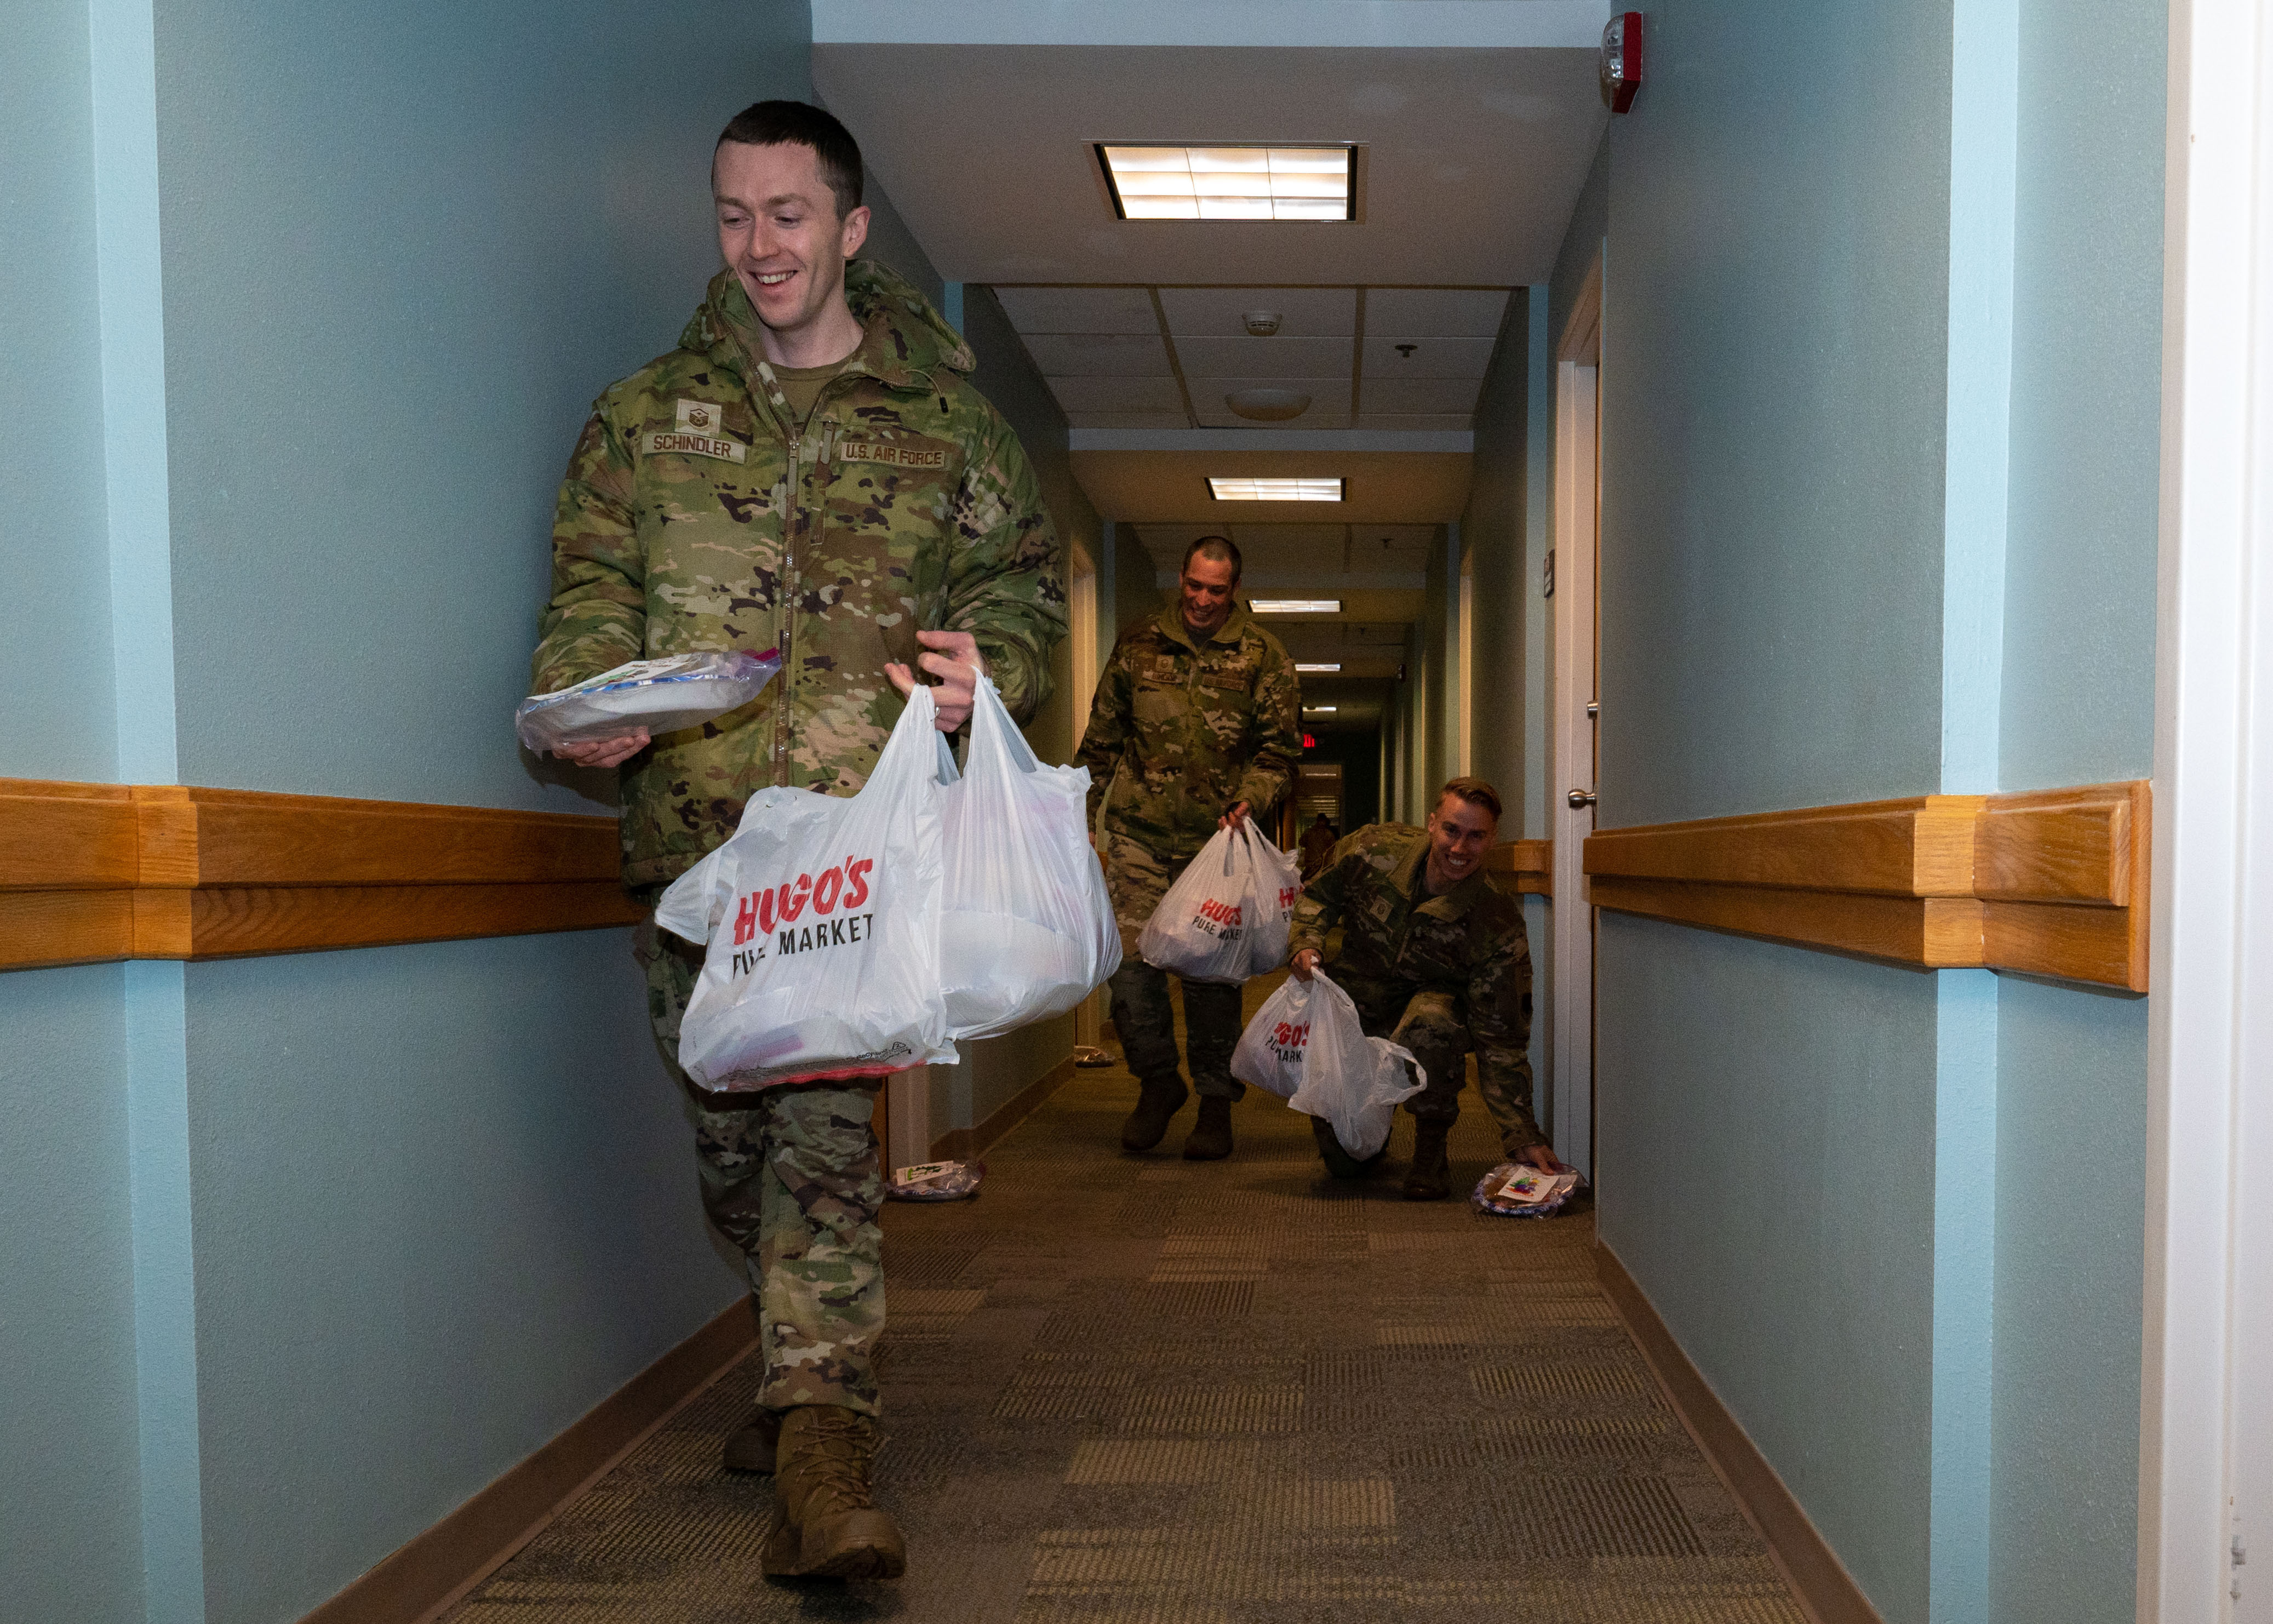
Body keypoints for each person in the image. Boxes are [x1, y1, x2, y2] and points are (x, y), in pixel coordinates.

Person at [528, 100, 1062, 1582]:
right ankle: (790, 1360)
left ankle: (825, 1454)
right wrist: (588, 703)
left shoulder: (949, 422)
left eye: (786, 214)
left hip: (851, 846)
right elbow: (587, 588)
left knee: (822, 1142)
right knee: (730, 1143)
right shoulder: (643, 416)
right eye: (732, 214)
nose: (758, 244)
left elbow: (1019, 583)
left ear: (850, 228)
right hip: (695, 841)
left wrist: (987, 668)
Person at [1077, 535, 1302, 1160]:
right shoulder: (1139, 643)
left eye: (1217, 590)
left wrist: (1253, 795)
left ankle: (1213, 1102)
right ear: (1181, 576)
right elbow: (1102, 741)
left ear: (1235, 588)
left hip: (1217, 846)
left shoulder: (1262, 656)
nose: (1203, 601)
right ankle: (1156, 1082)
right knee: (1127, 970)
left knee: (1211, 979)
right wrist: (1078, 822)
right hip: (1137, 836)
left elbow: (1280, 753)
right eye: (1194, 586)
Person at [1287, 777, 1562, 1200]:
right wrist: (1306, 942)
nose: (1459, 849)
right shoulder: (1372, 850)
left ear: (1491, 841)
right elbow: (1317, 897)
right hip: (1354, 1003)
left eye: (1476, 836)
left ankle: (1430, 1152)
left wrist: (1520, 1132)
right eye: (1452, 830)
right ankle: (1366, 1133)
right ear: (1432, 824)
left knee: (1432, 1025)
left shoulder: (1495, 922)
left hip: (1427, 1010)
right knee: (1344, 1165)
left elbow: (1501, 1039)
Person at [1299, 811, 1340, 877]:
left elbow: (1302, 843)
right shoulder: (1328, 834)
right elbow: (1333, 848)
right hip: (1322, 862)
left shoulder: (1309, 832)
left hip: (1311, 861)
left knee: (1309, 879)